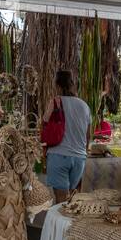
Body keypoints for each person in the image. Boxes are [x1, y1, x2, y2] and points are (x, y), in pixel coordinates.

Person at [43, 69, 92, 203]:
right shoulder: (84, 106)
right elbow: (88, 135)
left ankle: (60, 224)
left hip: (58, 156)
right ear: (72, 84)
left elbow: (44, 124)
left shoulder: (55, 102)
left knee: (60, 202)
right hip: (79, 159)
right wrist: (83, 152)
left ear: (57, 85)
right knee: (73, 201)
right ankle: (73, 225)